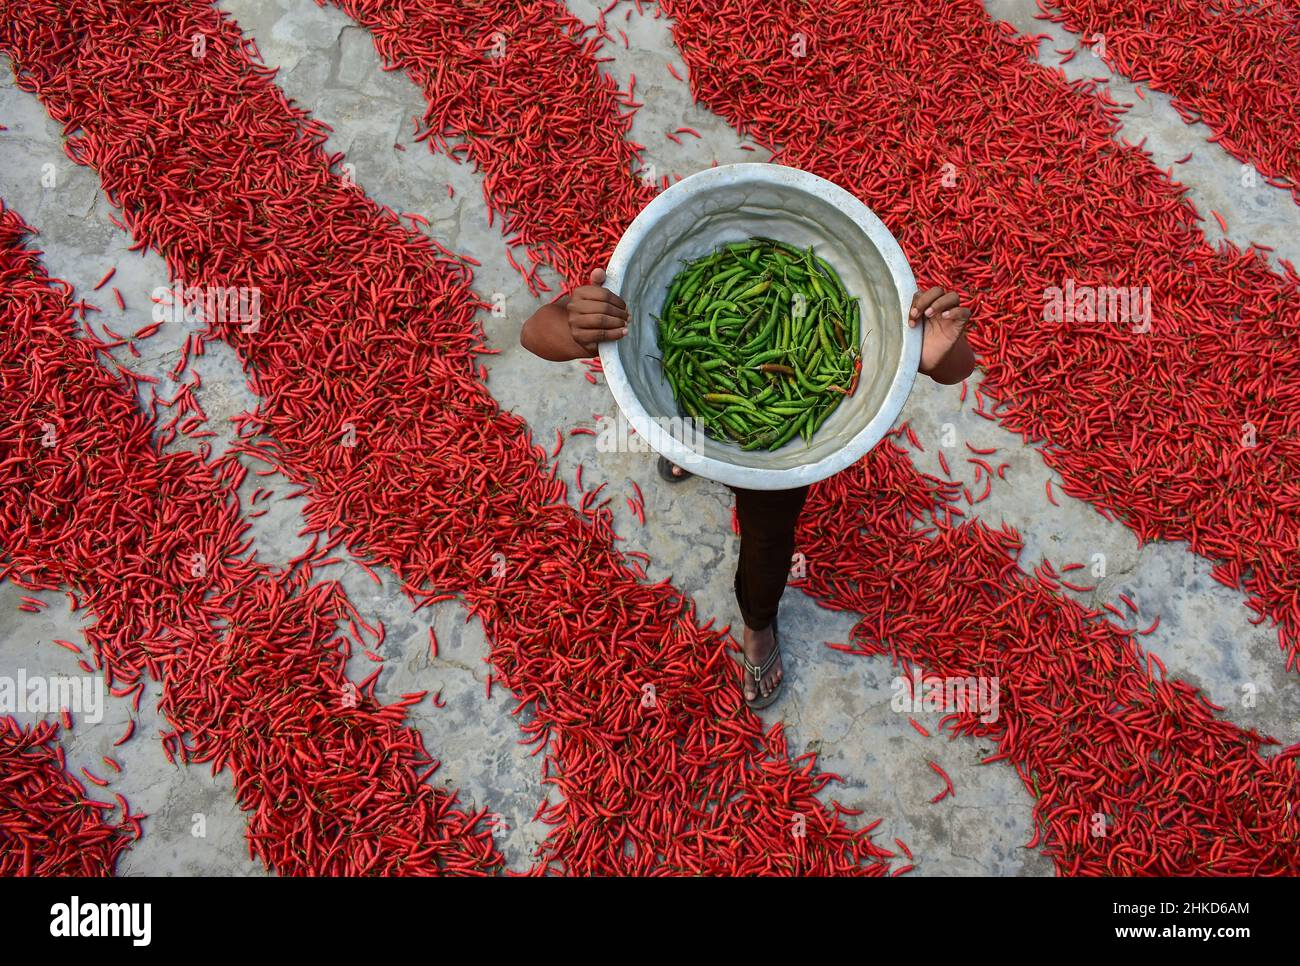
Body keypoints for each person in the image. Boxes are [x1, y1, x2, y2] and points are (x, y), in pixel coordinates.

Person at [521, 267, 974, 710]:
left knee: (768, 538)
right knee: (689, 426)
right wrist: (580, 331)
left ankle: (758, 624)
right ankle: (690, 451)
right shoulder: (627, 279)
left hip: (778, 460)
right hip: (687, 418)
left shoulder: (876, 291)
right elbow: (536, 332)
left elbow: (954, 368)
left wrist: (936, 353)